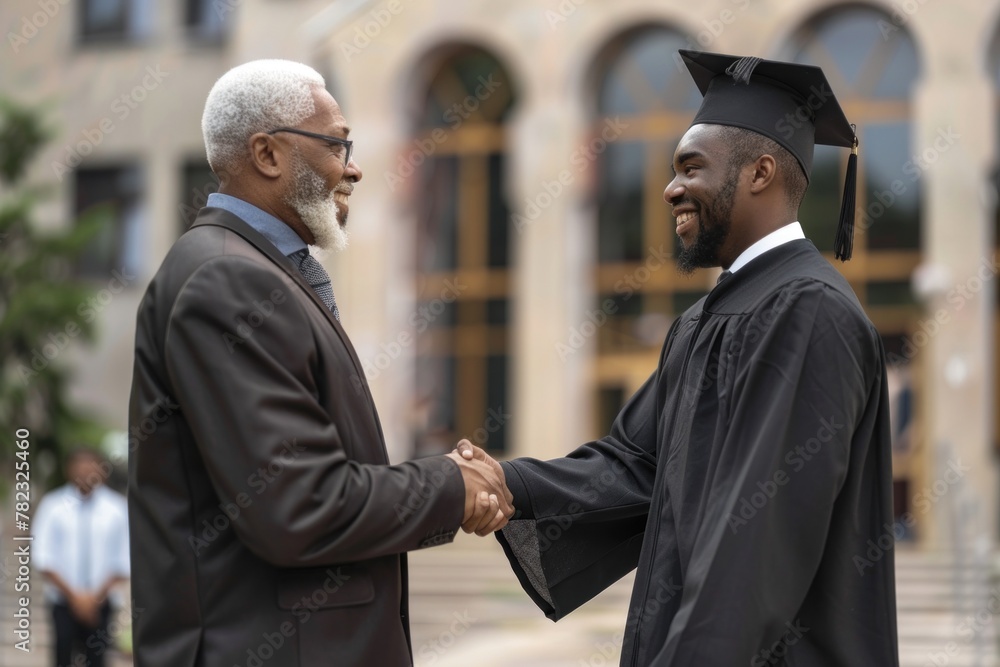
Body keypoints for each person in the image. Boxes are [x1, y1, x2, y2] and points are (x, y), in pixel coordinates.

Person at [461, 50, 899, 665]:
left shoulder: (808, 312)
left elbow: (757, 540)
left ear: (760, 172)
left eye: (691, 168)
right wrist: (506, 481)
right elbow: (635, 466)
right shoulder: (703, 319)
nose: (670, 189)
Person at [127, 59, 512, 667]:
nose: (354, 167)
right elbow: (296, 504)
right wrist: (450, 484)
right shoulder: (229, 281)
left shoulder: (253, 270)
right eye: (337, 144)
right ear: (268, 154)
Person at [34, 448, 130, 667]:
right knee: (62, 656)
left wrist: (94, 598)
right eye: (80, 467)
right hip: (62, 600)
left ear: (102, 470)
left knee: (97, 659)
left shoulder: (117, 509)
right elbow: (42, 555)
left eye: (91, 467)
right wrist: (75, 597)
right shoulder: (53, 506)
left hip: (102, 603)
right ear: (69, 470)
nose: (86, 473)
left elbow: (124, 558)